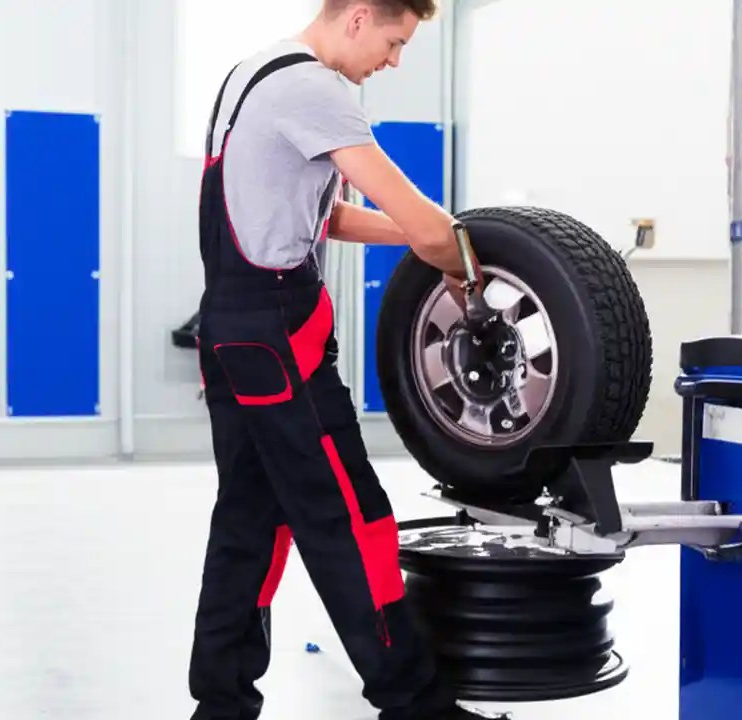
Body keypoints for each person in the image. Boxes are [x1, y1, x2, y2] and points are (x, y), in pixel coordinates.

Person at [188, 1, 508, 718]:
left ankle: (220, 703)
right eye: (394, 43)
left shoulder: (249, 75)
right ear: (360, 16)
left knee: (248, 520)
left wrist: (418, 239)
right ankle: (417, 705)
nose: (392, 62)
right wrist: (458, 251)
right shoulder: (316, 89)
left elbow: (324, 216)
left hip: (230, 333)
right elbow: (420, 212)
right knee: (351, 517)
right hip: (279, 333)